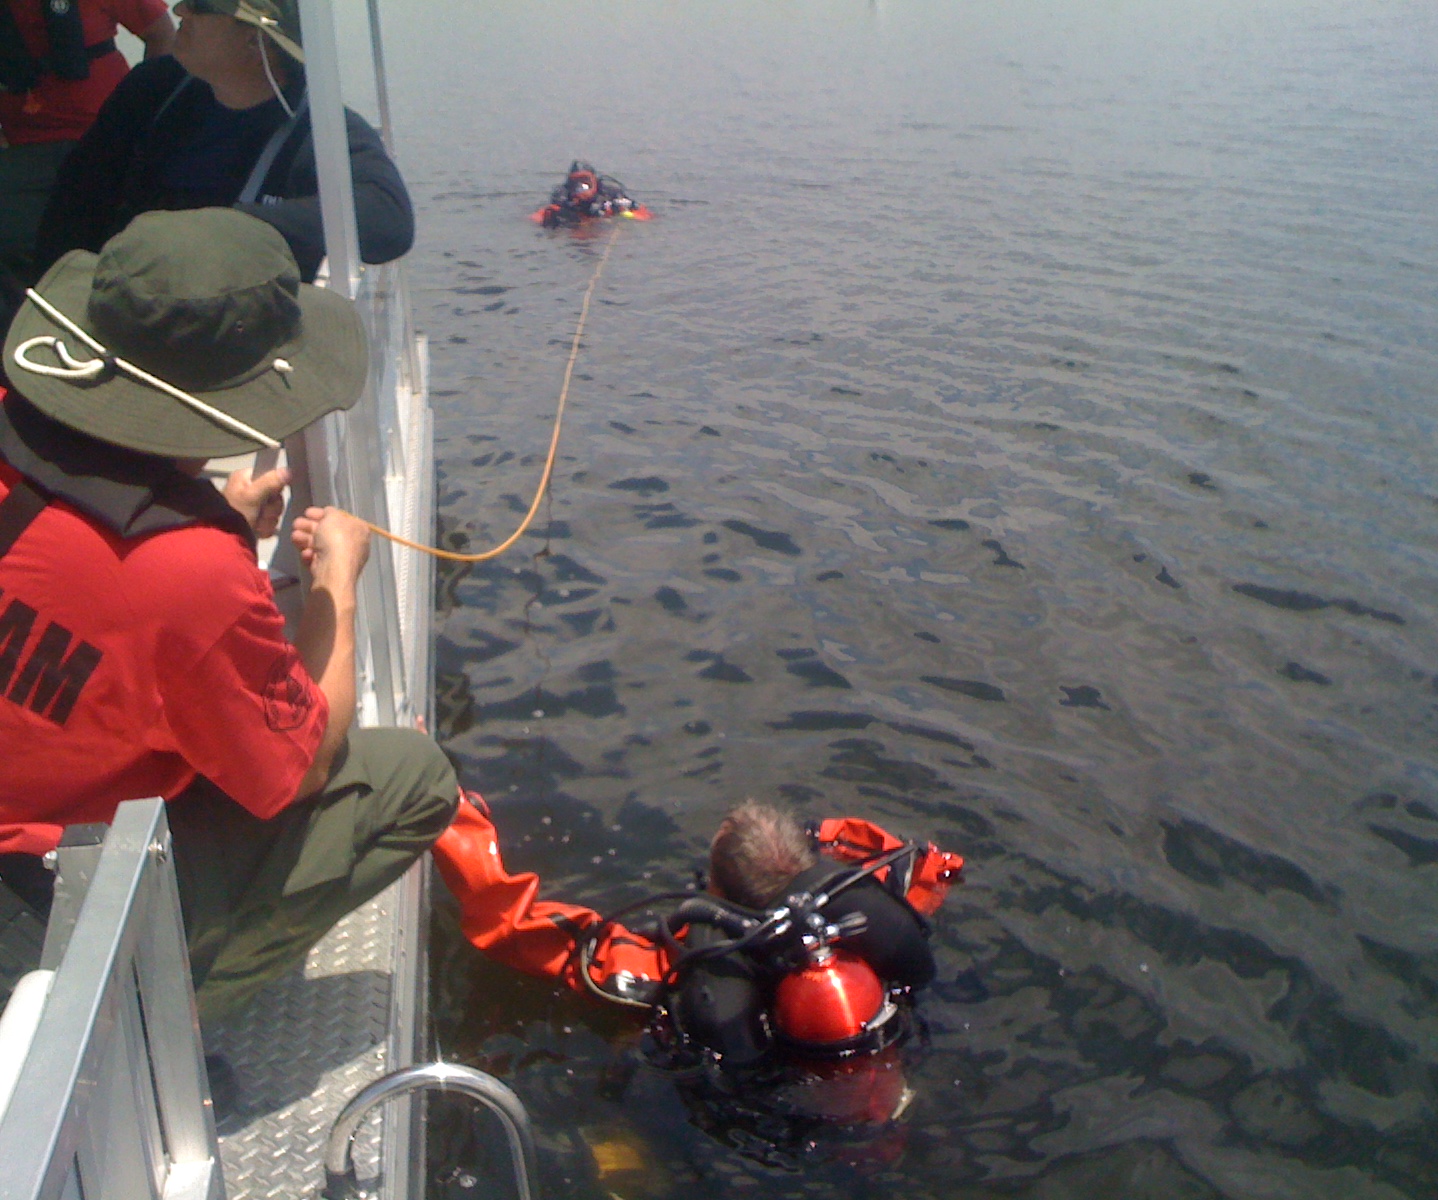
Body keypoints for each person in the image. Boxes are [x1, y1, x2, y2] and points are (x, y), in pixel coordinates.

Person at [0, 207, 455, 1020]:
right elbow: (303, 765)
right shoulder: (190, 573)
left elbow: (80, 575)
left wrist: (216, 526)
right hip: (39, 893)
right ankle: (157, 1015)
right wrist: (336, 581)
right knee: (416, 780)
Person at [432, 797, 963, 1065]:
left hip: (741, 1094)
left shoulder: (687, 965)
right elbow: (930, 868)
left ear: (717, 890)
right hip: (888, 1053)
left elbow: (517, 929)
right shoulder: (878, 916)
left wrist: (448, 812)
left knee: (625, 1049)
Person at [32, 0, 412, 283]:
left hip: (229, 339)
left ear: (254, 41)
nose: (181, 11)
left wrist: (227, 225)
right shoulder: (152, 90)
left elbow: (389, 221)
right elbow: (75, 199)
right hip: (124, 307)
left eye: (202, 4)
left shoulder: (320, 131)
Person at [0, 0, 174, 280]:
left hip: (104, 140)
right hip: (24, 150)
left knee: (109, 245)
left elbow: (163, 34)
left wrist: (149, 114)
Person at [531, 159, 650, 228]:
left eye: (586, 182)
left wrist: (620, 212)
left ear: (595, 181)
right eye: (576, 183)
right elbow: (536, 218)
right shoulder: (562, 198)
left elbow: (645, 216)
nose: (581, 188)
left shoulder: (609, 194)